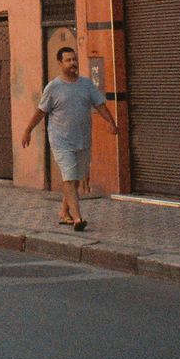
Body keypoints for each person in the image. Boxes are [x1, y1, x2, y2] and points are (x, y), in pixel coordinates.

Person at [21, 45, 118, 231]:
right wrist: (27, 131)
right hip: (61, 140)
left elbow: (100, 105)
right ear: (60, 63)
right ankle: (78, 218)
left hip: (82, 139)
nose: (73, 63)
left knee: (73, 180)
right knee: (69, 177)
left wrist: (111, 123)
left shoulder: (86, 84)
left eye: (74, 59)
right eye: (68, 60)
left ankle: (64, 213)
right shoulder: (53, 87)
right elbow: (41, 112)